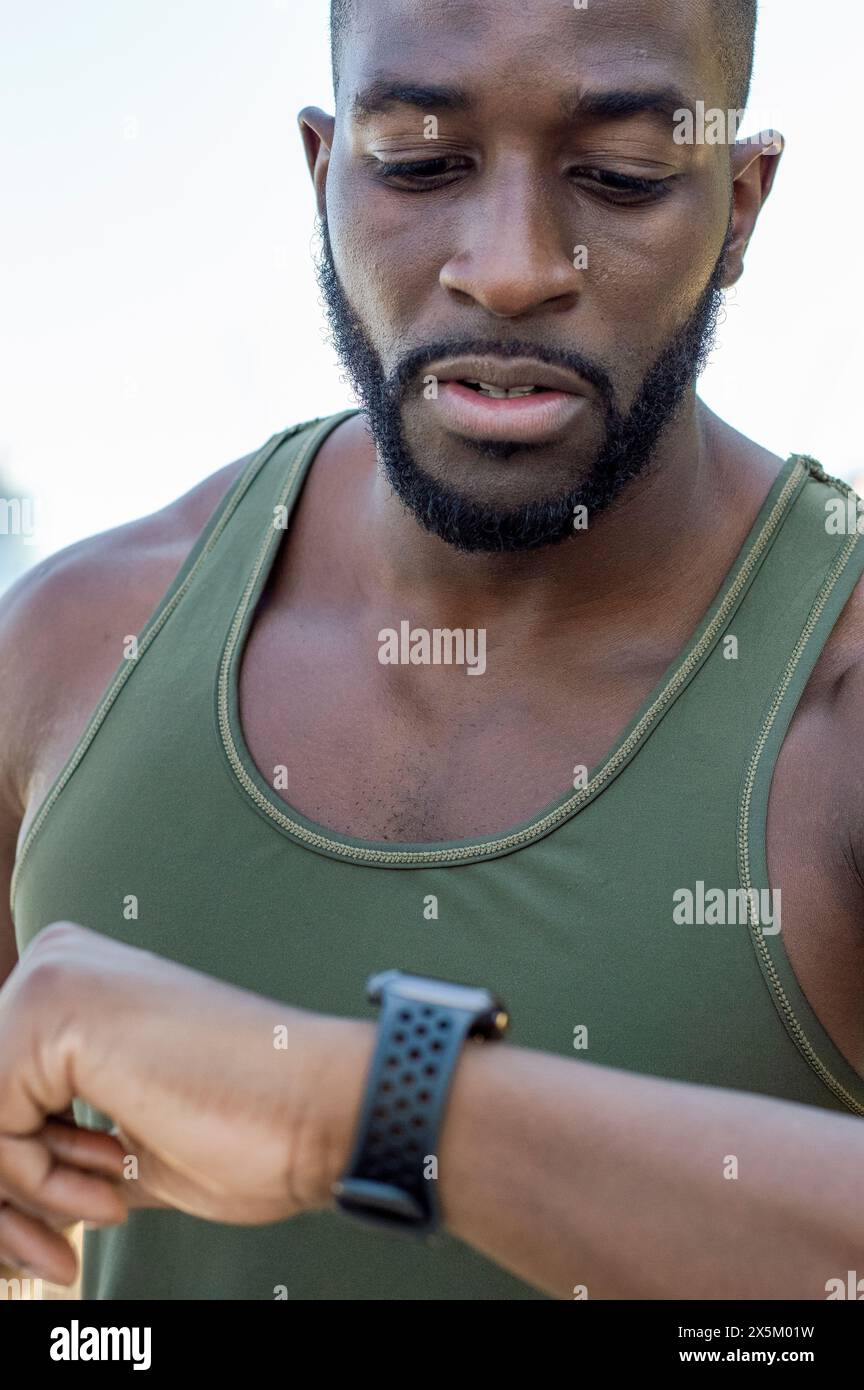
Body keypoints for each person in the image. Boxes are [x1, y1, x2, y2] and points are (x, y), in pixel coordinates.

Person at [1, 0, 863, 1301]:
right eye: (416, 158)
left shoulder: (836, 689)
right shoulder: (67, 647)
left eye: (621, 176)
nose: (510, 268)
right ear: (321, 174)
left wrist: (356, 1109)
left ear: (739, 207)